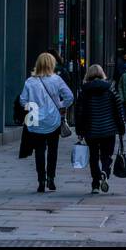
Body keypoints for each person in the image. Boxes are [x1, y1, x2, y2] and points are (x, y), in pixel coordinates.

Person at [19, 52, 74, 193]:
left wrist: (32, 108)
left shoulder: (30, 81)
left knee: (39, 150)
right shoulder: (57, 80)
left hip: (35, 119)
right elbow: (69, 96)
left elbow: (23, 101)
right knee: (53, 150)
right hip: (53, 119)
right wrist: (61, 106)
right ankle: (51, 177)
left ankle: (41, 180)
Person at [74, 64, 126, 194]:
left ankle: (95, 183)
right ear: (102, 73)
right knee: (106, 155)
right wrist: (121, 128)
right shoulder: (110, 90)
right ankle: (105, 171)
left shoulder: (84, 92)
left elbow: (79, 112)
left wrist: (79, 130)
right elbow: (118, 110)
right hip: (109, 129)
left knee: (93, 156)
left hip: (91, 130)